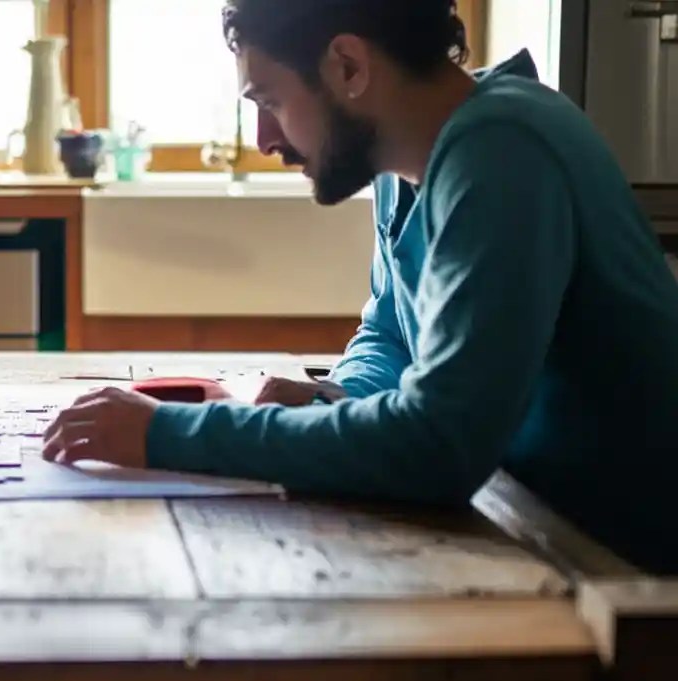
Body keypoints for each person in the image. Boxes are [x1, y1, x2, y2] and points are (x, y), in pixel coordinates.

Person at [42, 0, 678, 574]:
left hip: (631, 582)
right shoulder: (407, 161)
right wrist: (333, 396)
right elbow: (391, 337)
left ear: (348, 66)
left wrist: (168, 433)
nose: (264, 140)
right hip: (532, 528)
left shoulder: (503, 150)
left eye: (269, 101)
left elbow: (438, 446)